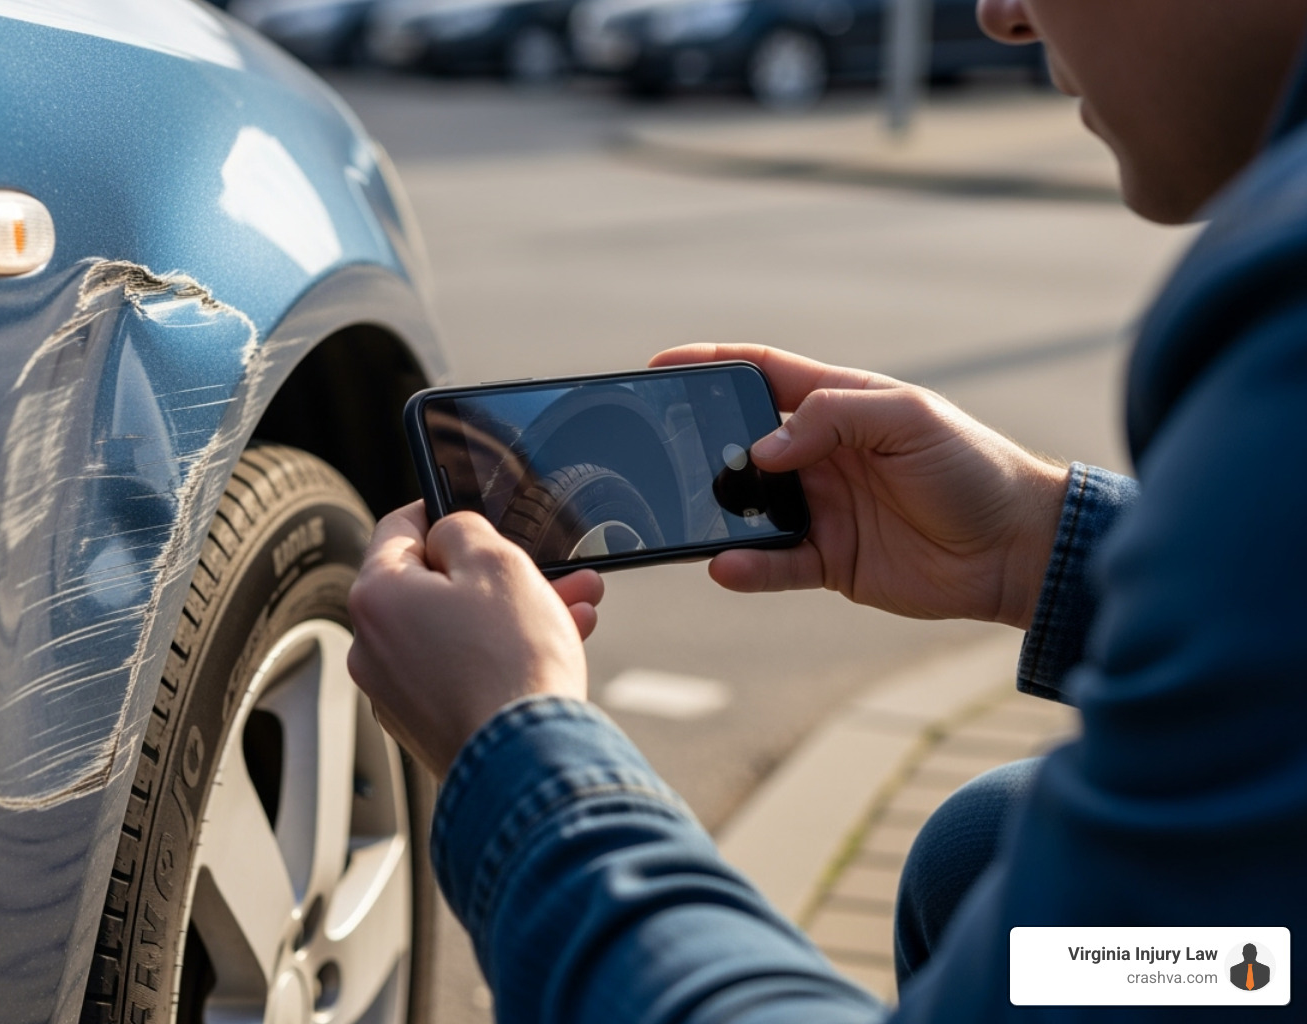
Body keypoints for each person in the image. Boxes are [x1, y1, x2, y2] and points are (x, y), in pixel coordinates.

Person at [347, 0, 1307, 1019]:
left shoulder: (1280, 314)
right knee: (981, 858)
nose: (1001, 15)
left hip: (1261, 964)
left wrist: (515, 749)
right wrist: (1038, 547)